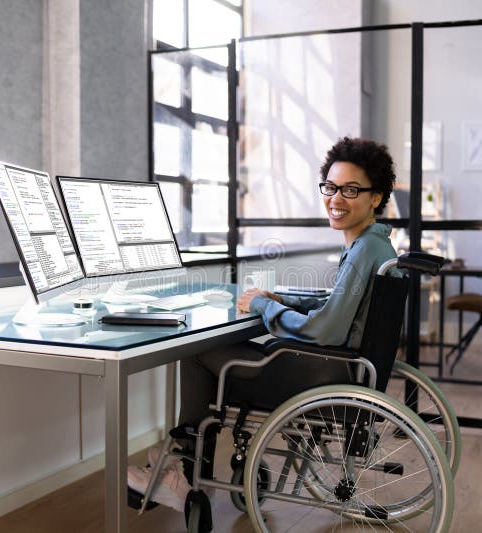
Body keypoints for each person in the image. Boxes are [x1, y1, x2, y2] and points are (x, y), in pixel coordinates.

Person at [127, 136, 398, 511]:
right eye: (331, 187)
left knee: (195, 352)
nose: (336, 199)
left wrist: (263, 308)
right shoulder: (376, 246)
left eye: (351, 189)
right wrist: (281, 300)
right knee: (214, 350)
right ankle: (184, 464)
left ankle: (185, 469)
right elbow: (338, 305)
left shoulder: (363, 250)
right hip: (344, 371)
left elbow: (326, 330)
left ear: (376, 197)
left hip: (320, 376)